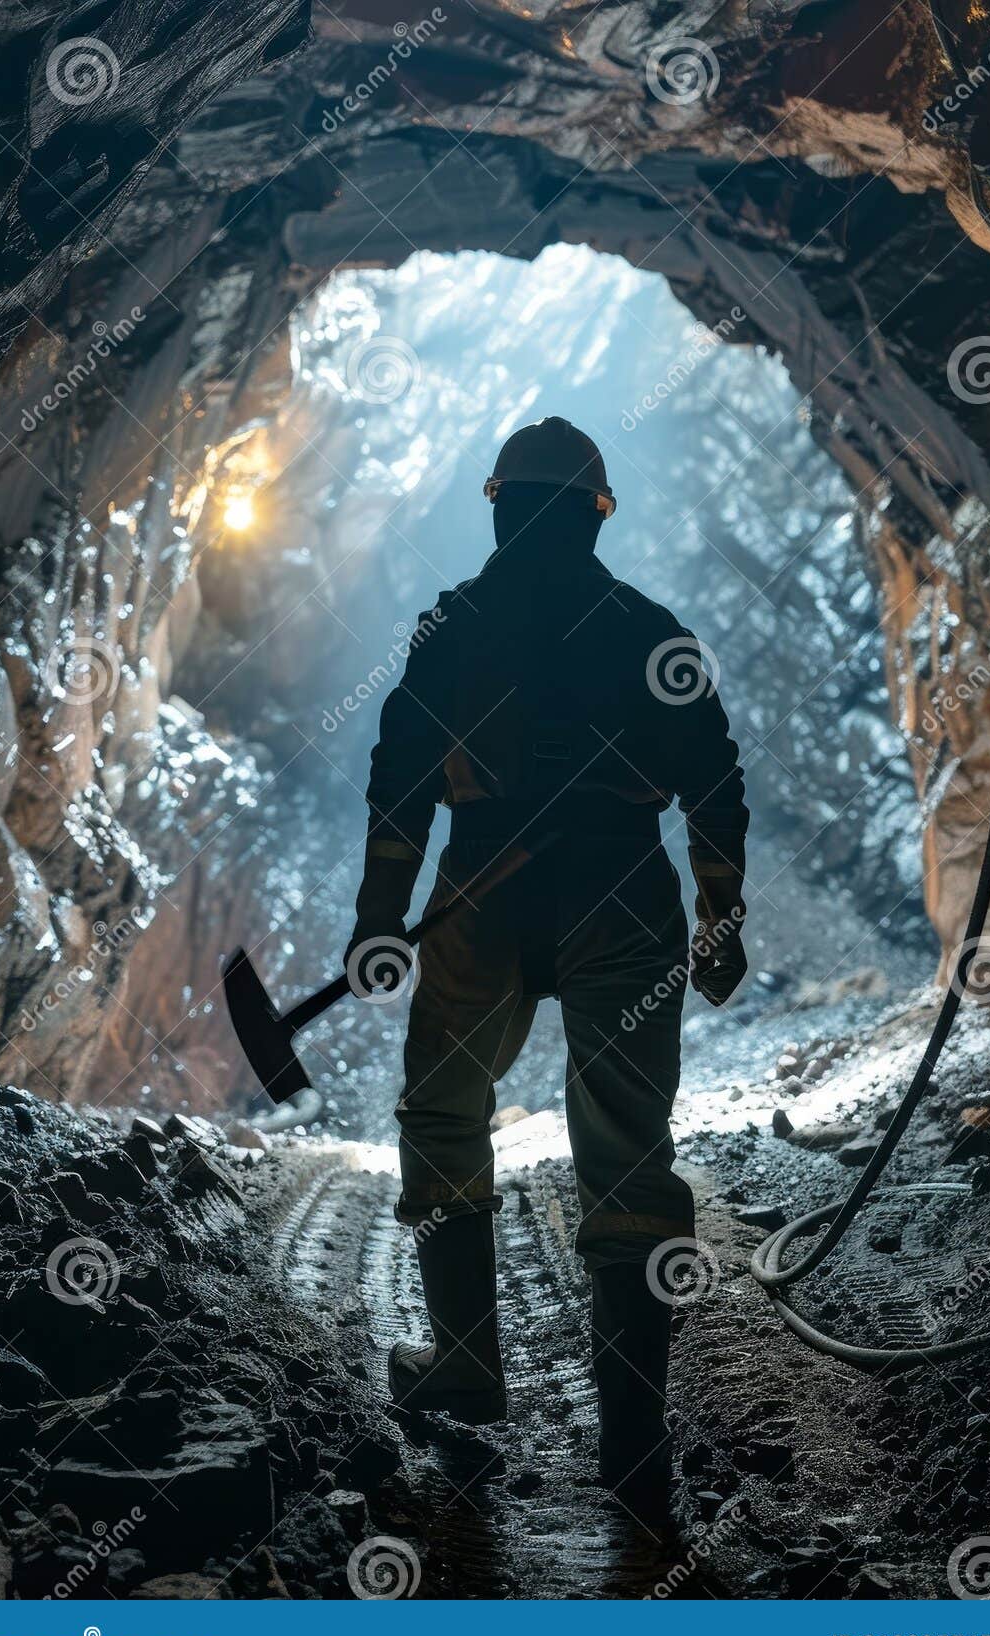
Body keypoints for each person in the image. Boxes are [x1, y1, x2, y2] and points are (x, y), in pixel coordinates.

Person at [345, 417, 748, 1517]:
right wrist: (719, 918)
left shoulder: (453, 628)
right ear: (592, 512)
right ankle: (631, 1442)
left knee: (441, 1111)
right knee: (626, 1152)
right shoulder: (645, 630)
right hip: (622, 894)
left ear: (498, 506)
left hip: (480, 896)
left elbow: (399, 785)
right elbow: (712, 782)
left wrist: (381, 918)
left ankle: (468, 1364)